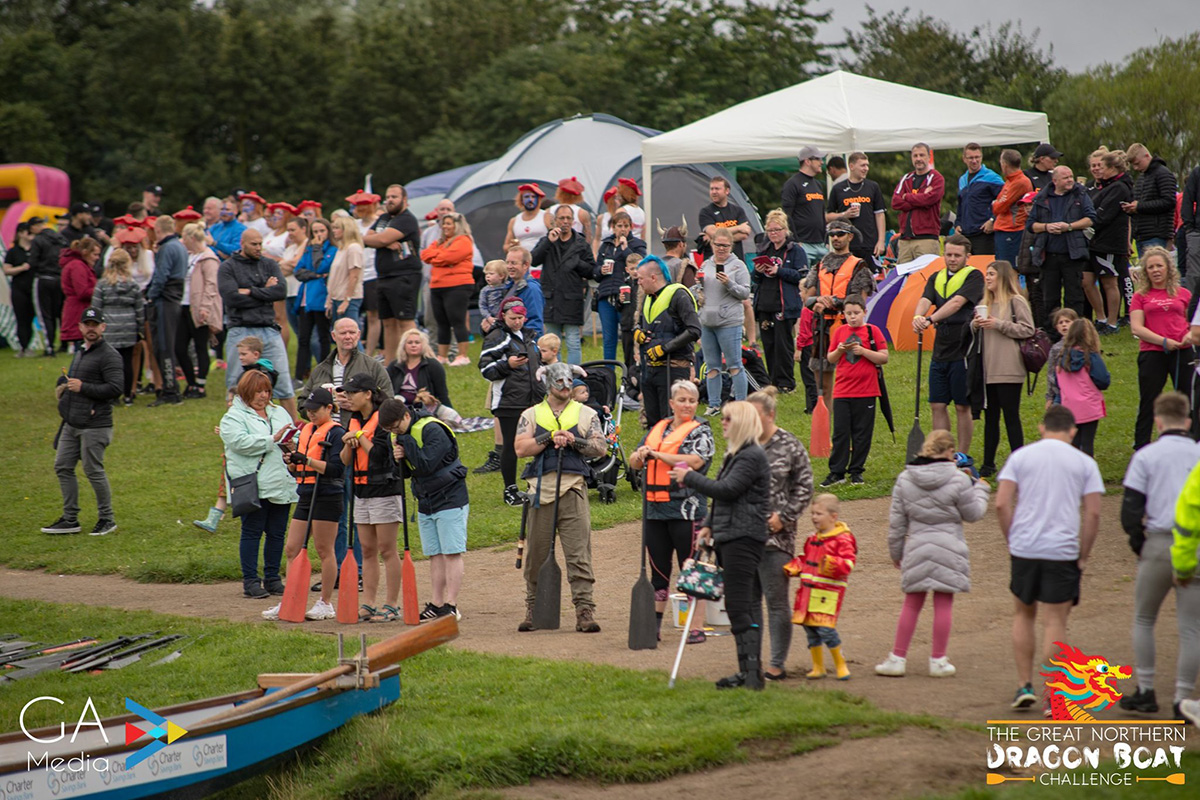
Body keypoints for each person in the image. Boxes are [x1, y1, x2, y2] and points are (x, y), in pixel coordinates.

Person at [996, 404, 1103, 711]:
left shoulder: (1020, 457)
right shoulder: (1084, 463)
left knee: (1023, 615)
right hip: (1062, 550)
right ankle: (1053, 696)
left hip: (1025, 548)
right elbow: (1093, 513)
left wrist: (1013, 540)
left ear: (1042, 428)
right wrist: (1082, 554)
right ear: (1073, 431)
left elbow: (1002, 504)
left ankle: (1022, 685)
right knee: (1055, 621)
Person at [671, 401, 771, 689]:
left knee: (740, 606)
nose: (723, 423)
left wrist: (689, 477)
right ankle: (748, 672)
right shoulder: (737, 455)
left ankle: (751, 674)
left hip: (743, 537)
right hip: (732, 535)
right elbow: (725, 497)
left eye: (728, 419)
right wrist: (709, 525)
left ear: (740, 422)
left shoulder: (751, 456)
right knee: (745, 604)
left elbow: (727, 489)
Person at [875, 430, 990, 678]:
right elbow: (973, 514)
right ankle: (938, 660)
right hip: (949, 547)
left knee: (912, 603)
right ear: (950, 452)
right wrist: (981, 490)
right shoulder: (959, 480)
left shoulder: (905, 479)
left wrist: (896, 553)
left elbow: (897, 524)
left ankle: (897, 658)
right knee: (943, 603)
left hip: (916, 546)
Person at [1121, 392, 1200, 719]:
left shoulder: (1146, 456)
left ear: (1156, 420)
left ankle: (1146, 689)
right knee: (1192, 627)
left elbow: (1130, 511)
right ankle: (1182, 698)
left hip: (1157, 540)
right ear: (1188, 421)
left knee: (1144, 618)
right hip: (1194, 545)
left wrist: (1141, 545)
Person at [513, 362, 607, 633]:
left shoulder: (587, 413)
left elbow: (600, 448)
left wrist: (574, 441)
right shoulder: (531, 415)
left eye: (569, 382)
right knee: (537, 556)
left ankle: (584, 610)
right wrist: (549, 437)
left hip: (573, 490)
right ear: (548, 384)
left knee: (579, 555)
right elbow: (520, 448)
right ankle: (533, 608)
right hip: (540, 493)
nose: (566, 387)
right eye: (560, 382)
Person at [628, 381, 716, 644]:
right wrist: (640, 455)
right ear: (672, 403)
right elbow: (634, 462)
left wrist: (656, 454)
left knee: (691, 570)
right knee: (659, 573)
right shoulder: (658, 428)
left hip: (687, 512)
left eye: (692, 400)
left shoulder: (701, 431)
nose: (688, 405)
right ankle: (652, 627)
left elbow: (695, 461)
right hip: (655, 512)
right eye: (682, 400)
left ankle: (696, 627)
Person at [381, 397, 470, 622]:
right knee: (435, 554)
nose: (394, 432)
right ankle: (437, 603)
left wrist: (405, 443)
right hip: (425, 499)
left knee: (451, 552)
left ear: (407, 416)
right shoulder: (400, 435)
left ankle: (451, 604)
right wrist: (397, 459)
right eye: (390, 430)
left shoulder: (432, 430)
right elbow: (407, 472)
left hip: (450, 497)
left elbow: (426, 463)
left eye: (396, 427)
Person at [263, 387, 347, 622]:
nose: (310, 415)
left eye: (315, 410)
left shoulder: (336, 434)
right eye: (308, 411)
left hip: (328, 496)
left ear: (329, 408)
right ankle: (290, 599)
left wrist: (307, 460)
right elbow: (297, 471)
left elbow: (336, 470)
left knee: (324, 549)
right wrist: (291, 462)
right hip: (306, 493)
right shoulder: (307, 431)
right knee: (292, 548)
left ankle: (326, 603)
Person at [747, 387, 814, 680]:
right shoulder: (742, 444)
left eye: (754, 415)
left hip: (776, 539)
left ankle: (776, 662)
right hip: (745, 537)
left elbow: (805, 487)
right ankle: (750, 659)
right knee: (749, 604)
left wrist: (784, 518)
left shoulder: (790, 445)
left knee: (775, 602)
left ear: (770, 415)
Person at [42, 308, 123, 536]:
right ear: (80, 327)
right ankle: (70, 519)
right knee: (62, 466)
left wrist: (83, 387)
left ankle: (107, 519)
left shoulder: (109, 355)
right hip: (71, 423)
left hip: (95, 426)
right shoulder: (81, 352)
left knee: (93, 470)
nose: (91, 328)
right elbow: (75, 380)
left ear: (103, 327)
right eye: (87, 324)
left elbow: (116, 389)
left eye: (95, 324)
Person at [219, 368, 297, 598]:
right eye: (258, 391)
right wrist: (272, 439)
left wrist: (293, 445)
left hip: (281, 482)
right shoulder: (233, 417)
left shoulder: (279, 412)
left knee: (277, 533)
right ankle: (251, 581)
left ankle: (273, 578)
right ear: (245, 391)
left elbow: (294, 435)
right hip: (254, 485)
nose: (263, 396)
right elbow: (239, 443)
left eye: (267, 391)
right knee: (252, 532)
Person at [337, 377, 405, 623]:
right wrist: (348, 442)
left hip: (384, 489)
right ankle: (369, 603)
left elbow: (377, 456)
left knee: (387, 549)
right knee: (367, 550)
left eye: (352, 393)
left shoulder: (383, 419)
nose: (348, 397)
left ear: (367, 394)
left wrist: (358, 436)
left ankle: (392, 604)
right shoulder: (354, 420)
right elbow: (345, 460)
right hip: (361, 491)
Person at [912, 235, 983, 456]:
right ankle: (942, 453)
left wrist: (930, 319)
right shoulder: (936, 276)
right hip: (940, 350)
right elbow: (926, 298)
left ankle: (961, 455)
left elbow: (957, 302)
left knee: (963, 406)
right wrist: (917, 316)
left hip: (963, 349)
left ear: (967, 257)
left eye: (957, 255)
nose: (952, 259)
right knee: (937, 404)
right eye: (949, 254)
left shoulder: (974, 276)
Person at [219, 229, 298, 421]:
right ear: (242, 243)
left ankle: (296, 431)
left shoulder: (269, 264)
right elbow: (231, 298)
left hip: (268, 330)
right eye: (254, 244)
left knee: (284, 384)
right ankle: (235, 428)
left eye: (260, 244)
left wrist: (251, 291)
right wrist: (264, 292)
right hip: (240, 330)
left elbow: (280, 292)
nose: (258, 248)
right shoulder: (228, 267)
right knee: (237, 385)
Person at [970, 260, 1035, 478]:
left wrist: (998, 324)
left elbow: (1028, 329)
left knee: (1011, 416)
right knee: (990, 418)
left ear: (1003, 277)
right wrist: (975, 325)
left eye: (991, 274)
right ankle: (988, 464)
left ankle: (1020, 465)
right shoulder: (984, 302)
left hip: (1009, 367)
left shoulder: (1016, 301)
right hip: (987, 368)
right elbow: (974, 333)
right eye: (986, 274)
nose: (987, 278)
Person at [782, 493, 857, 681]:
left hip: (827, 595)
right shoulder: (812, 539)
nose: (814, 517)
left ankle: (841, 665)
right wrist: (795, 567)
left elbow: (848, 563)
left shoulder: (843, 539)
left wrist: (829, 563)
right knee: (810, 629)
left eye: (819, 514)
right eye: (813, 513)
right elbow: (807, 560)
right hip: (808, 593)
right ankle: (818, 667)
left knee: (826, 629)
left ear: (833, 516)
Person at [801, 220, 876, 404]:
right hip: (822, 328)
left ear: (850, 237)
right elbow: (807, 299)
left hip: (848, 328)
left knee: (850, 381)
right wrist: (818, 301)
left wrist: (834, 302)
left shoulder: (859, 266)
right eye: (832, 234)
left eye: (840, 234)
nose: (835, 237)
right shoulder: (820, 265)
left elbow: (860, 302)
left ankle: (848, 420)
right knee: (822, 385)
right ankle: (825, 424)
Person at [479, 297, 544, 505]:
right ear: (503, 316)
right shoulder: (497, 336)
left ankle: (535, 484)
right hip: (509, 401)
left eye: (521, 317)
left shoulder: (528, 336)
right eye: (513, 318)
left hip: (534, 400)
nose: (517, 321)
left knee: (539, 442)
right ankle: (510, 490)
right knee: (510, 446)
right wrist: (508, 365)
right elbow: (485, 369)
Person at [1130, 246, 1192, 450]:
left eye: (1159, 266)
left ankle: (1191, 442)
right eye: (1150, 267)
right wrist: (1163, 341)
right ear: (1145, 272)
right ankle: (1141, 446)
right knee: (1149, 401)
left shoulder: (1183, 293)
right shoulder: (1140, 297)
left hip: (1183, 351)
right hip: (1152, 353)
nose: (1155, 270)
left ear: (1168, 268)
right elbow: (1137, 327)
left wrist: (1188, 336)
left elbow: (1192, 322)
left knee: (1188, 399)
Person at [823, 295, 888, 486]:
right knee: (840, 432)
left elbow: (884, 357)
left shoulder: (872, 331)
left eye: (856, 313)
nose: (853, 317)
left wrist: (864, 352)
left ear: (864, 312)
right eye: (849, 313)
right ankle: (837, 472)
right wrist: (841, 350)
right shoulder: (840, 331)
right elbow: (831, 358)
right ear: (843, 314)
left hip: (867, 391)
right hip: (842, 391)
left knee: (862, 433)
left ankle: (856, 471)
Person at [634, 255, 701, 427]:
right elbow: (642, 325)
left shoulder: (678, 295)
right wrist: (638, 333)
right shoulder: (649, 298)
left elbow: (694, 330)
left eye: (641, 279)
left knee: (671, 422)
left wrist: (664, 349)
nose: (639, 283)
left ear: (653, 277)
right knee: (653, 424)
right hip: (649, 370)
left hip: (673, 369)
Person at [1027, 166, 1097, 321]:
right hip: (1049, 255)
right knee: (1050, 298)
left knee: (1075, 296)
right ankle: (1053, 335)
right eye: (1066, 177)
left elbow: (1091, 219)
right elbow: (1031, 225)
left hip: (1073, 255)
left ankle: (1076, 332)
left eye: (1071, 176)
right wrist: (1046, 227)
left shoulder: (1080, 194)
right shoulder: (1042, 197)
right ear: (1055, 181)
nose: (1070, 180)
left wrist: (1069, 227)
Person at [363, 184, 423, 363]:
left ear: (404, 200)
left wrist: (381, 240)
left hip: (404, 276)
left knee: (405, 321)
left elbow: (379, 238)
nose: (389, 200)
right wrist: (384, 241)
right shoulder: (383, 218)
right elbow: (367, 236)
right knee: (388, 322)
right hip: (383, 277)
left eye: (394, 197)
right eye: (388, 197)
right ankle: (391, 364)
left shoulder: (406, 219)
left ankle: (414, 361)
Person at [532, 204, 595, 365]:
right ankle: (555, 376)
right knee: (552, 343)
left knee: (573, 342)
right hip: (551, 298)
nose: (565, 221)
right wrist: (548, 241)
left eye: (568, 218)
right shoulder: (547, 239)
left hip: (571, 298)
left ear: (573, 221)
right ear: (555, 221)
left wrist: (578, 263)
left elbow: (591, 271)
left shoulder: (581, 243)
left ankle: (573, 379)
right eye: (562, 218)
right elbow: (533, 260)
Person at [753, 211, 807, 392]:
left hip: (784, 303)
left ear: (785, 230)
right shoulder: (764, 249)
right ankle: (773, 381)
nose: (773, 233)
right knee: (768, 345)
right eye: (770, 230)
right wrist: (759, 271)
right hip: (765, 303)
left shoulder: (794, 250)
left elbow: (801, 275)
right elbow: (755, 279)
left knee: (783, 345)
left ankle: (786, 382)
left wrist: (779, 271)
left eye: (777, 229)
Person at [698, 228, 751, 412]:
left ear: (731, 246)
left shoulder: (739, 266)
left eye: (725, 246)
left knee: (734, 364)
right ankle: (713, 405)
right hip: (707, 322)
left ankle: (741, 404)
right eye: (717, 244)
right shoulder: (705, 265)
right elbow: (700, 287)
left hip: (729, 322)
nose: (721, 248)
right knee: (712, 366)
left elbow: (745, 293)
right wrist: (698, 292)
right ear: (712, 244)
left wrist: (729, 283)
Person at [1086, 150, 1134, 334]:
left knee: (1109, 281)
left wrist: (1088, 225)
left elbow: (1103, 214)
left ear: (1113, 168)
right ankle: (1101, 317)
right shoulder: (1105, 186)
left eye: (1103, 167)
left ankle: (1112, 323)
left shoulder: (1119, 187)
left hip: (1109, 242)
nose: (1099, 171)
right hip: (1095, 242)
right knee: (1086, 280)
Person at [90, 249, 145, 406]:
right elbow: (139, 309)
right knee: (126, 362)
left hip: (109, 327)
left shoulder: (102, 285)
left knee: (109, 364)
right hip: (128, 327)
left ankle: (111, 396)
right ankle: (128, 395)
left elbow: (96, 308)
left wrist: (96, 328)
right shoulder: (133, 285)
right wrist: (139, 328)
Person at [421, 211, 476, 366]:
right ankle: (442, 356)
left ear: (457, 225)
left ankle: (463, 355)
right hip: (437, 285)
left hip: (458, 285)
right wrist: (440, 256)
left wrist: (437, 258)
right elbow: (425, 255)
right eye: (444, 223)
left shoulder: (464, 240)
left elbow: (449, 257)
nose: (445, 227)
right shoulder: (439, 242)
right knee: (442, 322)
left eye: (448, 223)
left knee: (457, 320)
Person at [594, 211, 647, 362]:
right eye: (619, 226)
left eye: (626, 226)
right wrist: (600, 270)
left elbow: (641, 265)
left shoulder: (637, 245)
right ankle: (608, 376)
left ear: (630, 227)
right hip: (606, 296)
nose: (622, 229)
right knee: (609, 340)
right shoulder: (606, 245)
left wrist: (625, 250)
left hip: (626, 297)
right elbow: (595, 271)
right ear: (612, 227)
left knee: (628, 337)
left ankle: (631, 372)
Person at [1053, 318, 1110, 456]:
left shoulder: (1061, 358)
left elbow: (1057, 382)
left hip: (1068, 407)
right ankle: (1086, 472)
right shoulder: (1090, 356)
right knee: (1087, 443)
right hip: (1089, 407)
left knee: (1074, 443)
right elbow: (1103, 381)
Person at [147, 216, 187, 406]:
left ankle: (170, 391)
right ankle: (170, 389)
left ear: (158, 230)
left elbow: (161, 275)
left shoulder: (167, 248)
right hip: (175, 299)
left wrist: (150, 296)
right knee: (166, 345)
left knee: (163, 346)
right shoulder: (179, 246)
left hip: (165, 301)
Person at [178, 223, 222, 399]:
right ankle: (191, 382)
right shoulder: (188, 256)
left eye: (184, 238)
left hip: (199, 308)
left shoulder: (208, 258)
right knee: (179, 348)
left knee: (200, 346)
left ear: (192, 238)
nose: (182, 242)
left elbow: (211, 285)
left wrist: (205, 307)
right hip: (184, 305)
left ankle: (200, 384)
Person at [293, 217, 335, 381]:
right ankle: (299, 375)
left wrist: (318, 248)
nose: (318, 235)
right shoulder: (309, 249)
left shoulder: (332, 248)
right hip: (306, 300)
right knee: (303, 339)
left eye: (321, 231)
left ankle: (325, 374)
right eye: (315, 232)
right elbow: (298, 271)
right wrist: (316, 275)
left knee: (323, 337)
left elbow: (322, 266)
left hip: (321, 299)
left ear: (328, 232)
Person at [826, 152, 887, 263]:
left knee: (870, 278)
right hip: (846, 245)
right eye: (862, 165)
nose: (866, 168)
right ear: (852, 166)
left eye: (867, 165)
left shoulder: (873, 186)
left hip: (869, 244)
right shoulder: (838, 188)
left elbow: (880, 214)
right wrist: (845, 214)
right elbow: (828, 216)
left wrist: (881, 241)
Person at [892, 143, 946, 262]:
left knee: (926, 277)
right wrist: (920, 198)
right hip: (905, 239)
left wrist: (907, 196)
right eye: (915, 156)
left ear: (928, 157)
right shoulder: (906, 178)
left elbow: (930, 199)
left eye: (922, 155)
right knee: (904, 278)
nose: (918, 159)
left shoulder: (936, 178)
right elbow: (895, 202)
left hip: (927, 239)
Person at [1124, 143, 1179, 253]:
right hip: (1142, 235)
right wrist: (1131, 209)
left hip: (1157, 235)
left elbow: (1169, 201)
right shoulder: (1142, 178)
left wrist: (1139, 206)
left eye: (1137, 163)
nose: (1135, 168)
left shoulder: (1163, 174)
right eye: (1133, 165)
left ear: (1147, 156)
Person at [781, 146, 828, 264]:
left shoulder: (817, 184)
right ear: (807, 161)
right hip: (803, 243)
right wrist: (796, 241)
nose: (821, 162)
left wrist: (826, 240)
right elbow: (786, 215)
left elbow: (821, 214)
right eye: (818, 159)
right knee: (804, 281)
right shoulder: (792, 184)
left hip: (820, 244)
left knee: (823, 280)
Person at [955, 143, 1004, 255]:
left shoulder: (992, 177)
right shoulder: (962, 179)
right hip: (966, 234)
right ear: (964, 159)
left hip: (984, 233)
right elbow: (961, 205)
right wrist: (957, 223)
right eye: (971, 158)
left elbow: (1006, 201)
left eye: (977, 157)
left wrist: (993, 220)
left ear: (981, 157)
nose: (974, 161)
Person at [992, 149, 1034, 268]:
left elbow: (998, 207)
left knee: (1009, 269)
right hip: (1003, 229)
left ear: (1004, 164)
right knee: (1001, 268)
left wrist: (995, 204)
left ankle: (1014, 287)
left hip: (1012, 230)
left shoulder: (1020, 182)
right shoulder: (1010, 180)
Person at [59, 236, 100, 353]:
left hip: (79, 310)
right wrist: (100, 291)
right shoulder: (78, 266)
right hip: (78, 311)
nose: (97, 258)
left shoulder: (80, 265)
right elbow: (82, 292)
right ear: (86, 253)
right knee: (81, 353)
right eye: (95, 254)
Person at [699, 175, 753, 261]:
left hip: (736, 261)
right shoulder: (706, 212)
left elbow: (744, 233)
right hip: (714, 262)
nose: (713, 192)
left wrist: (716, 240)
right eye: (711, 189)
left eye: (717, 189)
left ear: (727, 191)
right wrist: (738, 228)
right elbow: (713, 232)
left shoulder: (738, 210)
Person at [327, 216, 365, 329]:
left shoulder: (353, 248)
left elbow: (354, 276)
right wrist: (330, 299)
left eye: (337, 228)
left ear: (347, 229)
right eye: (333, 228)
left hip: (349, 298)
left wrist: (347, 300)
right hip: (337, 297)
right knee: (340, 335)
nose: (333, 231)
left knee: (351, 334)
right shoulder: (341, 248)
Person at [5, 221, 36, 356]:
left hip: (33, 288)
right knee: (21, 317)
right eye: (28, 232)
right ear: (20, 233)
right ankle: (23, 347)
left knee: (31, 317)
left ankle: (29, 345)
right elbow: (6, 270)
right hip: (19, 288)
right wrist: (21, 268)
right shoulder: (13, 251)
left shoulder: (36, 250)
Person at [504, 183, 550, 259]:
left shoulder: (546, 216)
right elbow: (505, 246)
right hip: (522, 265)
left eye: (533, 197)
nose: (530, 200)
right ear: (521, 200)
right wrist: (512, 247)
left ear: (538, 199)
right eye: (526, 197)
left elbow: (557, 239)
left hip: (543, 264)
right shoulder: (514, 220)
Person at [543, 176, 592, 243]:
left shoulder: (549, 211)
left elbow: (546, 232)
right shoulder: (582, 213)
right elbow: (588, 236)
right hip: (576, 247)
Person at [1182, 164, 1200, 292]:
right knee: (1194, 275)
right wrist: (1189, 228)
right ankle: (1193, 309)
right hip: (1197, 231)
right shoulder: (1197, 173)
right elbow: (1187, 200)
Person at [478, 260, 508, 334]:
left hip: (505, 319)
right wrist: (488, 317)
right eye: (486, 274)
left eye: (491, 274)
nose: (487, 276)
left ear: (501, 276)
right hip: (491, 319)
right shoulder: (485, 290)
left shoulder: (507, 287)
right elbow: (482, 305)